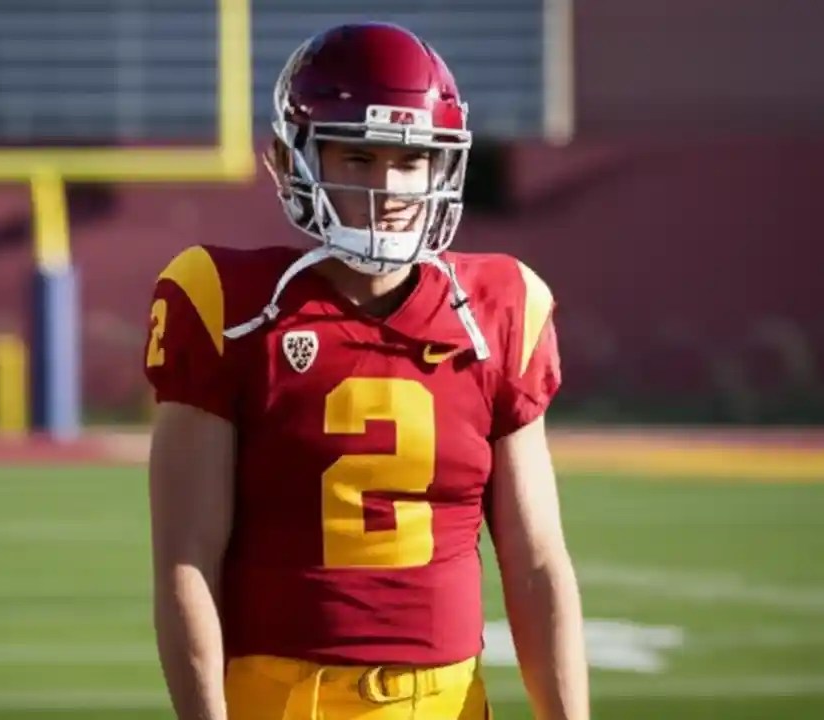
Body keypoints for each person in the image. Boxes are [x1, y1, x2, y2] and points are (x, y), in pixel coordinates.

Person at [145, 21, 589, 720]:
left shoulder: (499, 308)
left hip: (453, 703)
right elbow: (186, 560)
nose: (391, 187)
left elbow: (536, 563)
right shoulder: (226, 304)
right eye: (358, 158)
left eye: (411, 160)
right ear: (296, 162)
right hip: (286, 702)